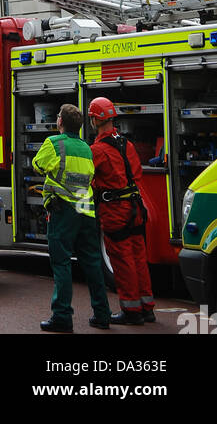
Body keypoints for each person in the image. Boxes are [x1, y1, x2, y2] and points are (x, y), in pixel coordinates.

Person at [32, 103, 112, 333]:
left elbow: (38, 165)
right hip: (85, 211)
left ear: (60, 122)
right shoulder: (88, 148)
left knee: (62, 263)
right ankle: (102, 314)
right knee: (92, 264)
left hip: (62, 210)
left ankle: (62, 317)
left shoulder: (54, 143)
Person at [88, 97, 156, 326]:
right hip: (135, 208)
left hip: (115, 210)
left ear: (96, 120)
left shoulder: (97, 150)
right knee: (138, 257)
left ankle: (131, 311)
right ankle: (147, 307)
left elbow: (91, 181)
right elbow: (136, 174)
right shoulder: (127, 144)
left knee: (121, 258)